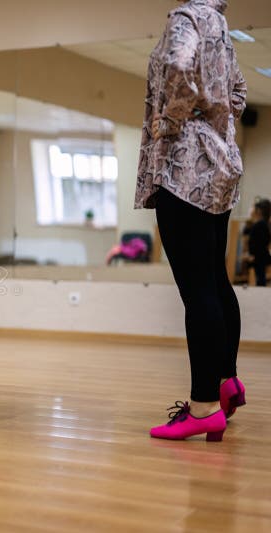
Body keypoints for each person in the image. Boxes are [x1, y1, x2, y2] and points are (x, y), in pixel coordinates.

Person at [134, 0, 247, 441]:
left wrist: (173, 119)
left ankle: (202, 408)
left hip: (185, 170)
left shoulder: (185, 19)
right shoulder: (219, 25)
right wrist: (211, 116)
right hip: (220, 167)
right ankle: (225, 382)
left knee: (197, 291)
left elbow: (180, 66)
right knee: (216, 283)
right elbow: (237, 94)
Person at [243, 198, 271, 287]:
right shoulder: (261, 224)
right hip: (259, 255)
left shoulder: (260, 225)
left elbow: (260, 243)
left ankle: (262, 290)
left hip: (259, 256)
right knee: (259, 275)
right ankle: (261, 287)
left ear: (258, 211)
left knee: (260, 276)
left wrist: (253, 255)